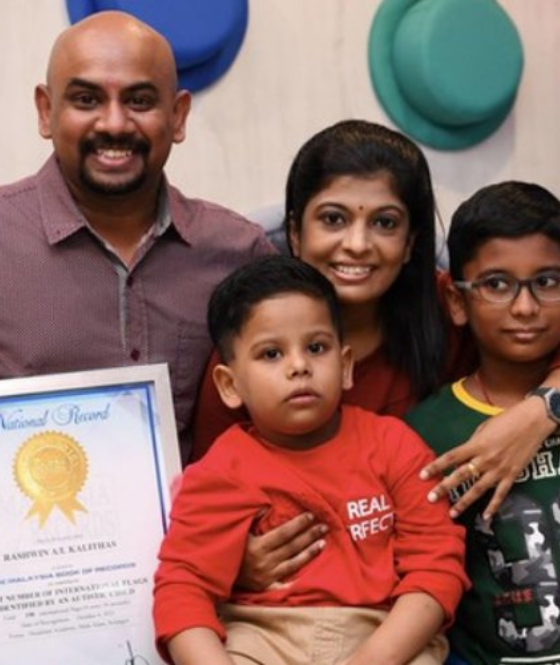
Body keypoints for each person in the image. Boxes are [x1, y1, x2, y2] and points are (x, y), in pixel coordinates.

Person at [190, 120, 560, 589]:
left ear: (411, 243)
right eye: (333, 219)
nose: (357, 244)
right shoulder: (253, 348)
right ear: (295, 233)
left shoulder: (453, 309)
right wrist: (234, 566)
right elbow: (206, 511)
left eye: (384, 223)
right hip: (291, 605)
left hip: (434, 588)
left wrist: (540, 411)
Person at [0, 10, 274, 457]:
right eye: (86, 100)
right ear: (46, 111)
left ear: (178, 116)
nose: (114, 124)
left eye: (140, 101)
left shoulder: (239, 255)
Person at [154, 256, 467, 665]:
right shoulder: (221, 471)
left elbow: (437, 567)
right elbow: (183, 587)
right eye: (271, 354)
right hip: (262, 636)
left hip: (384, 637)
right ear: (229, 385)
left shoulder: (395, 447)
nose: (299, 366)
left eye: (316, 348)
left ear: (345, 365)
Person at [406, 182, 560, 664]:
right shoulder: (425, 432)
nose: (525, 307)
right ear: (456, 300)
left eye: (547, 281)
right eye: (496, 284)